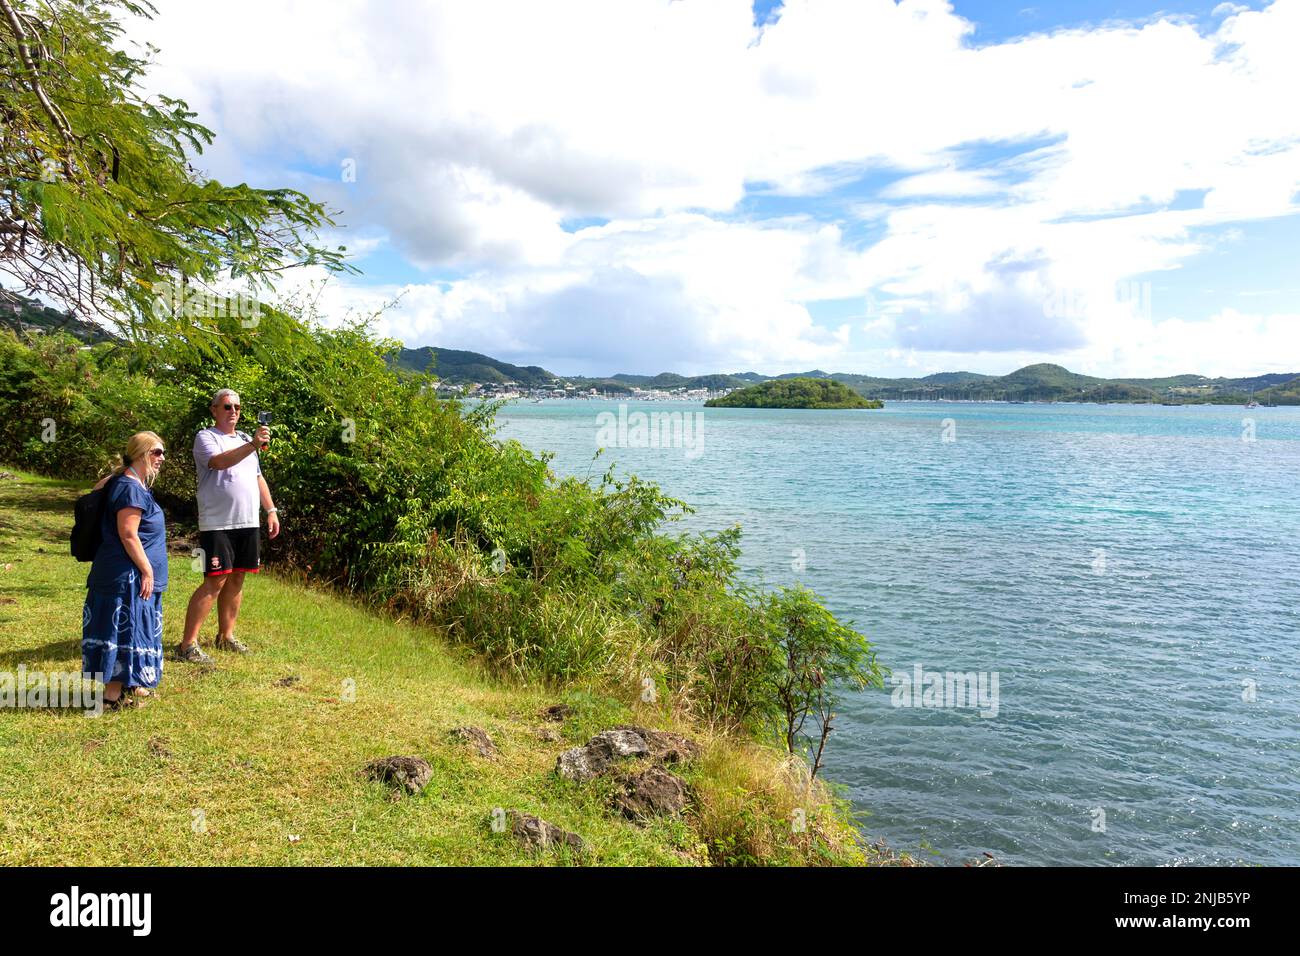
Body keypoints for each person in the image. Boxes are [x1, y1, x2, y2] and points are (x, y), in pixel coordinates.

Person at [177, 388, 280, 663]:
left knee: (238, 577)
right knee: (215, 580)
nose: (232, 411)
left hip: (247, 520)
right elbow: (219, 462)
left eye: (236, 407)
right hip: (217, 522)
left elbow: (258, 477)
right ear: (214, 410)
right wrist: (252, 446)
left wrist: (270, 510)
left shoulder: (247, 438)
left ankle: (226, 636)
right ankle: (188, 644)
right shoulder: (206, 437)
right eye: (226, 406)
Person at [83, 432, 169, 710]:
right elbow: (128, 533)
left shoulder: (125, 483)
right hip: (126, 575)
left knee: (134, 630)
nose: (161, 458)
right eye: (156, 452)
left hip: (124, 573)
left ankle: (130, 683)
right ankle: (111, 697)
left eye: (162, 452)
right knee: (123, 631)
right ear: (141, 453)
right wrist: (146, 570)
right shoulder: (130, 488)